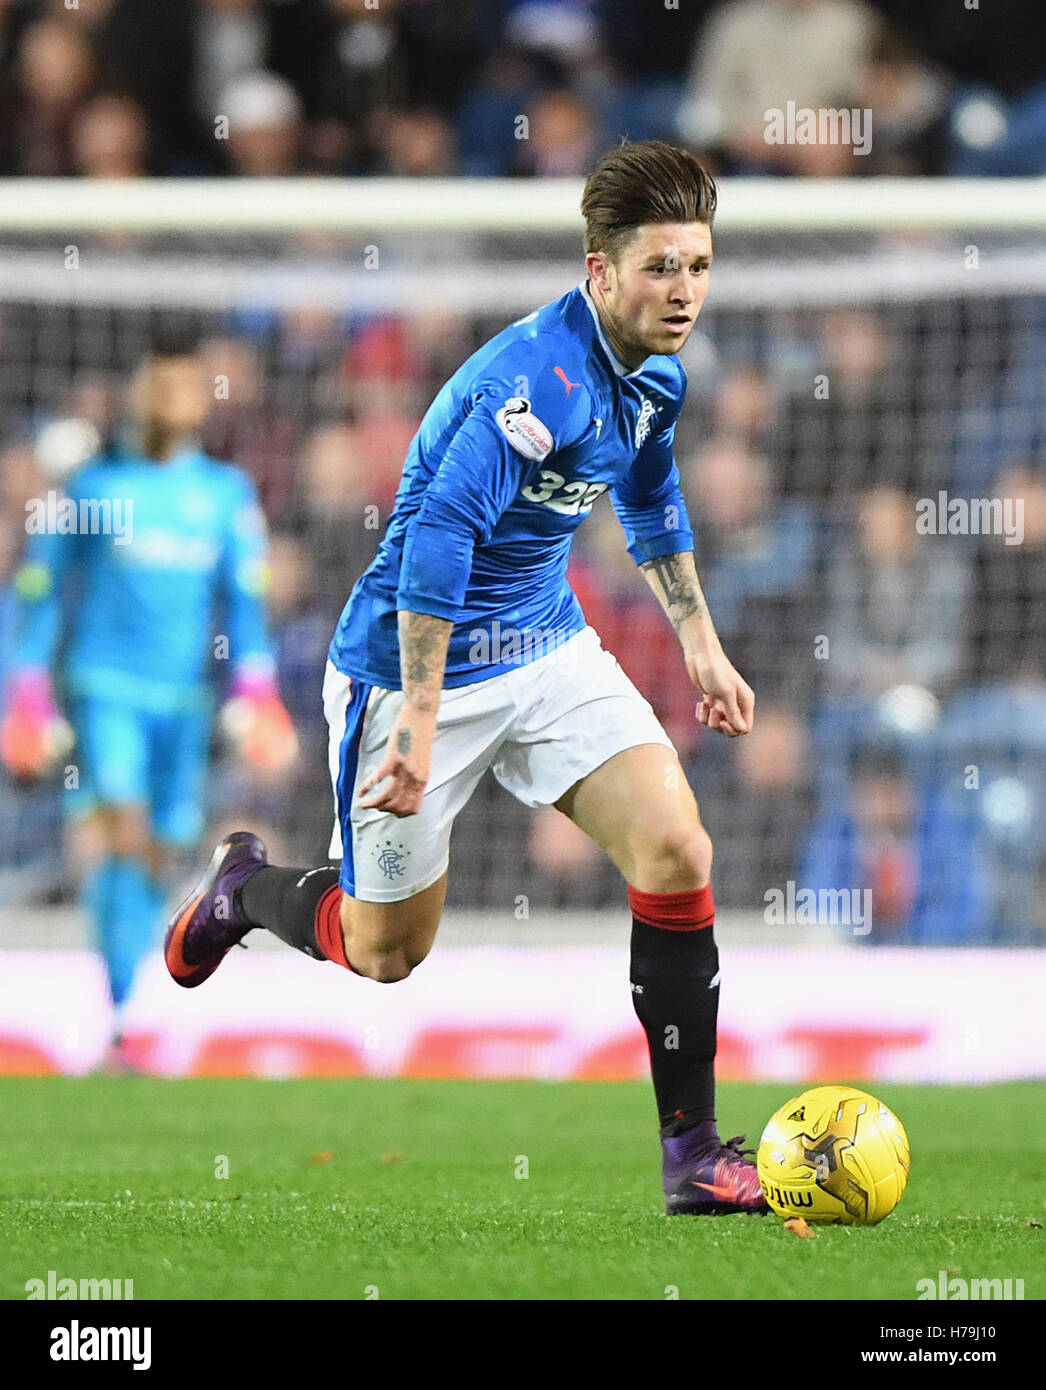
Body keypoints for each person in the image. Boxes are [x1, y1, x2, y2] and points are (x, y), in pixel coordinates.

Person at [165, 140, 767, 1216]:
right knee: (385, 949)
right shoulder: (532, 378)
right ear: (599, 270)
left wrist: (699, 645)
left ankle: (692, 1155)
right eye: (660, 267)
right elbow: (437, 542)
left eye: (698, 266)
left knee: (677, 846)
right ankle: (241, 888)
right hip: (407, 666)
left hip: (545, 645)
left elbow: (649, 495)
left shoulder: (656, 377)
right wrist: (415, 726)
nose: (682, 292)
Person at [1, 337, 296, 1069]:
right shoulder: (93, 491)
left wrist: (256, 689)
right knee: (122, 831)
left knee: (164, 849)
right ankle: (124, 1014)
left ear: (202, 399)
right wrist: (29, 690)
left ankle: (127, 1006)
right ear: (139, 395)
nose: (171, 403)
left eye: (184, 389)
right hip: (107, 693)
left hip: (186, 703)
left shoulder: (225, 494)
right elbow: (38, 590)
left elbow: (245, 602)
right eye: (159, 389)